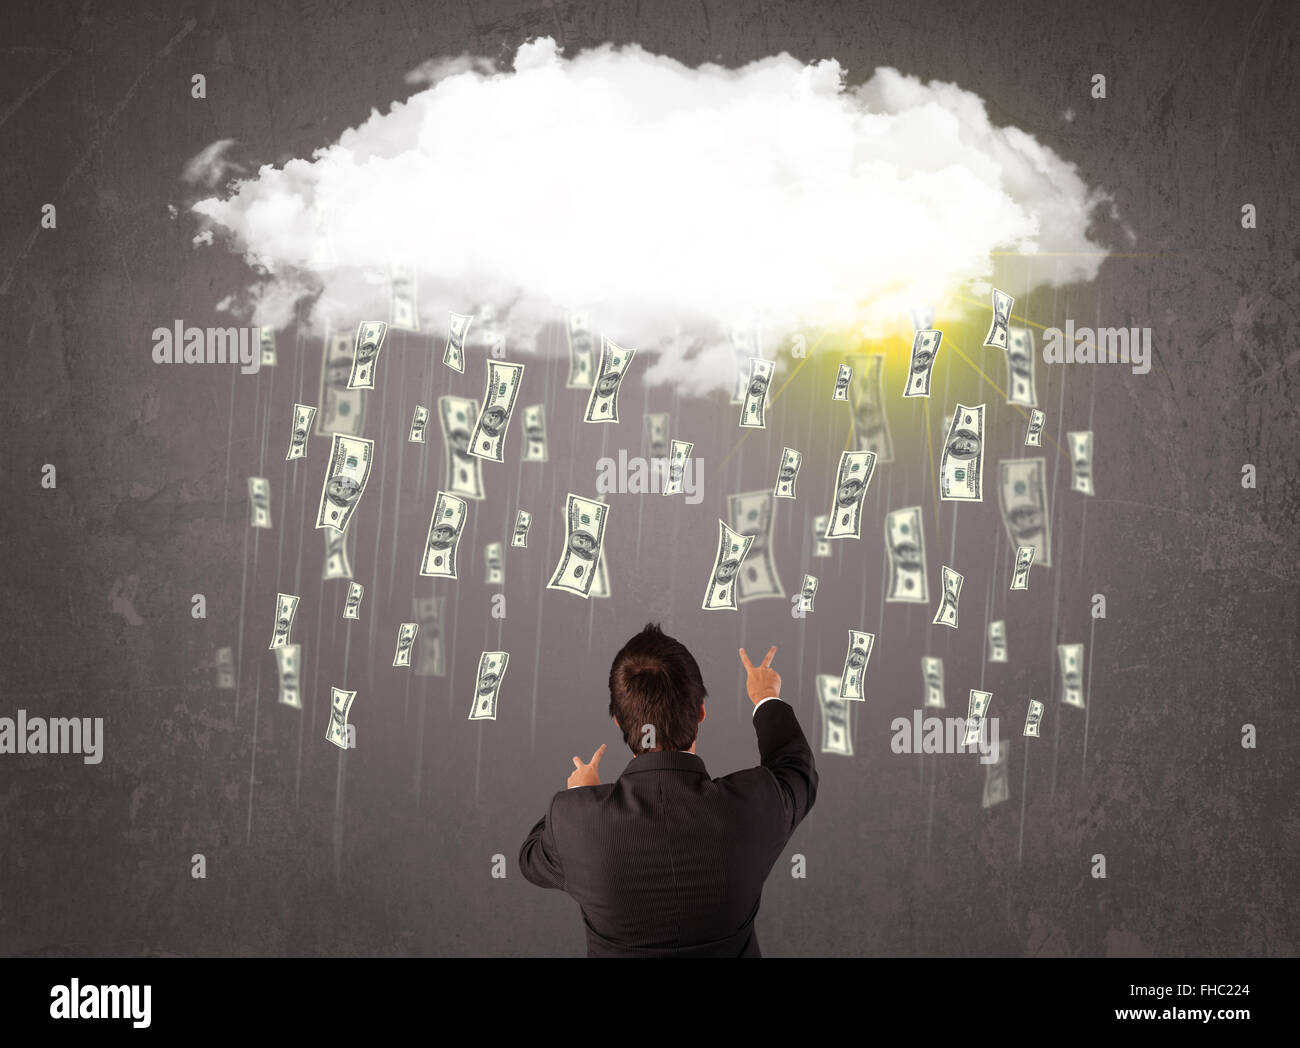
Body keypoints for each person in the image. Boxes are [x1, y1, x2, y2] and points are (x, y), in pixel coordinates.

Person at [518, 623, 818, 957]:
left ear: (617, 718)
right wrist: (766, 698)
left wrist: (581, 797)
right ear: (701, 711)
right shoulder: (757, 802)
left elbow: (531, 860)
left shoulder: (573, 820)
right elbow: (796, 768)